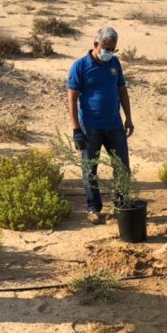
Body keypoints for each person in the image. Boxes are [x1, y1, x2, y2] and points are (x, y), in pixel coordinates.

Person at [68, 26, 135, 224]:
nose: (109, 52)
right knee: (90, 168)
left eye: (113, 49)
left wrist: (128, 118)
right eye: (106, 48)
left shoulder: (114, 63)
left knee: (122, 166)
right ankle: (93, 208)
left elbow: (122, 91)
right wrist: (76, 130)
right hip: (90, 126)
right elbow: (71, 99)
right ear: (96, 45)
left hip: (114, 125)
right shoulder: (80, 66)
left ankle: (121, 204)